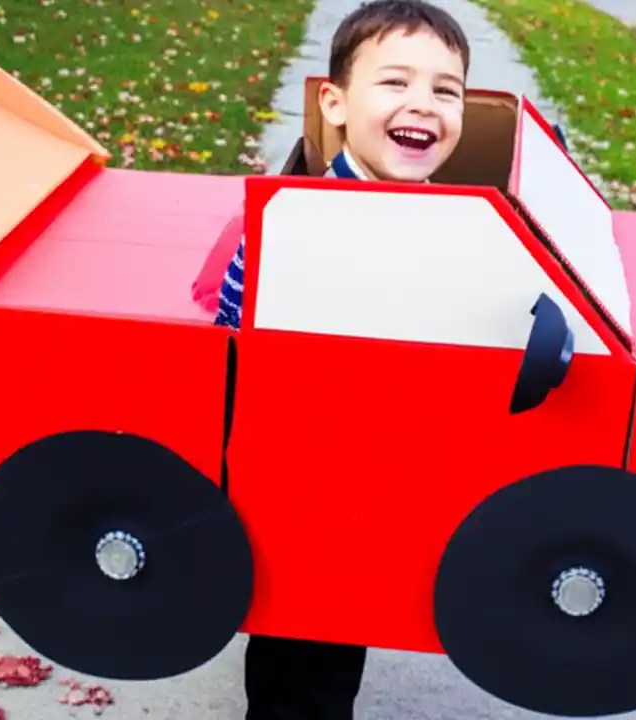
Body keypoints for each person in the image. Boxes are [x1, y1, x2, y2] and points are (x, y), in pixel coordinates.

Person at [193, 1, 471, 717]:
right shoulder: (300, 228)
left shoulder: (438, 212)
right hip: (307, 479)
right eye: (396, 83)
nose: (424, 105)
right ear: (335, 102)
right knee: (307, 657)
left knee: (342, 621)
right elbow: (234, 344)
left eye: (446, 90)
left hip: (381, 458)